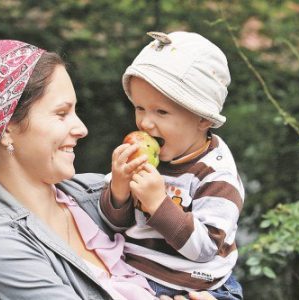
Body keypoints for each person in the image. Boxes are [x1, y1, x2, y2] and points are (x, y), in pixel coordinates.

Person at [0, 39, 217, 300]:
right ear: (5, 130)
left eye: (76, 111)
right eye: (62, 113)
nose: (82, 128)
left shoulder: (103, 194)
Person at [99, 31, 244, 299]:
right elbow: (114, 225)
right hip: (136, 274)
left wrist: (158, 203)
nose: (144, 123)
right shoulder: (147, 155)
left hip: (198, 286)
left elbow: (205, 249)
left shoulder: (216, 176)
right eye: (140, 108)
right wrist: (119, 190)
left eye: (161, 112)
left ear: (203, 120)